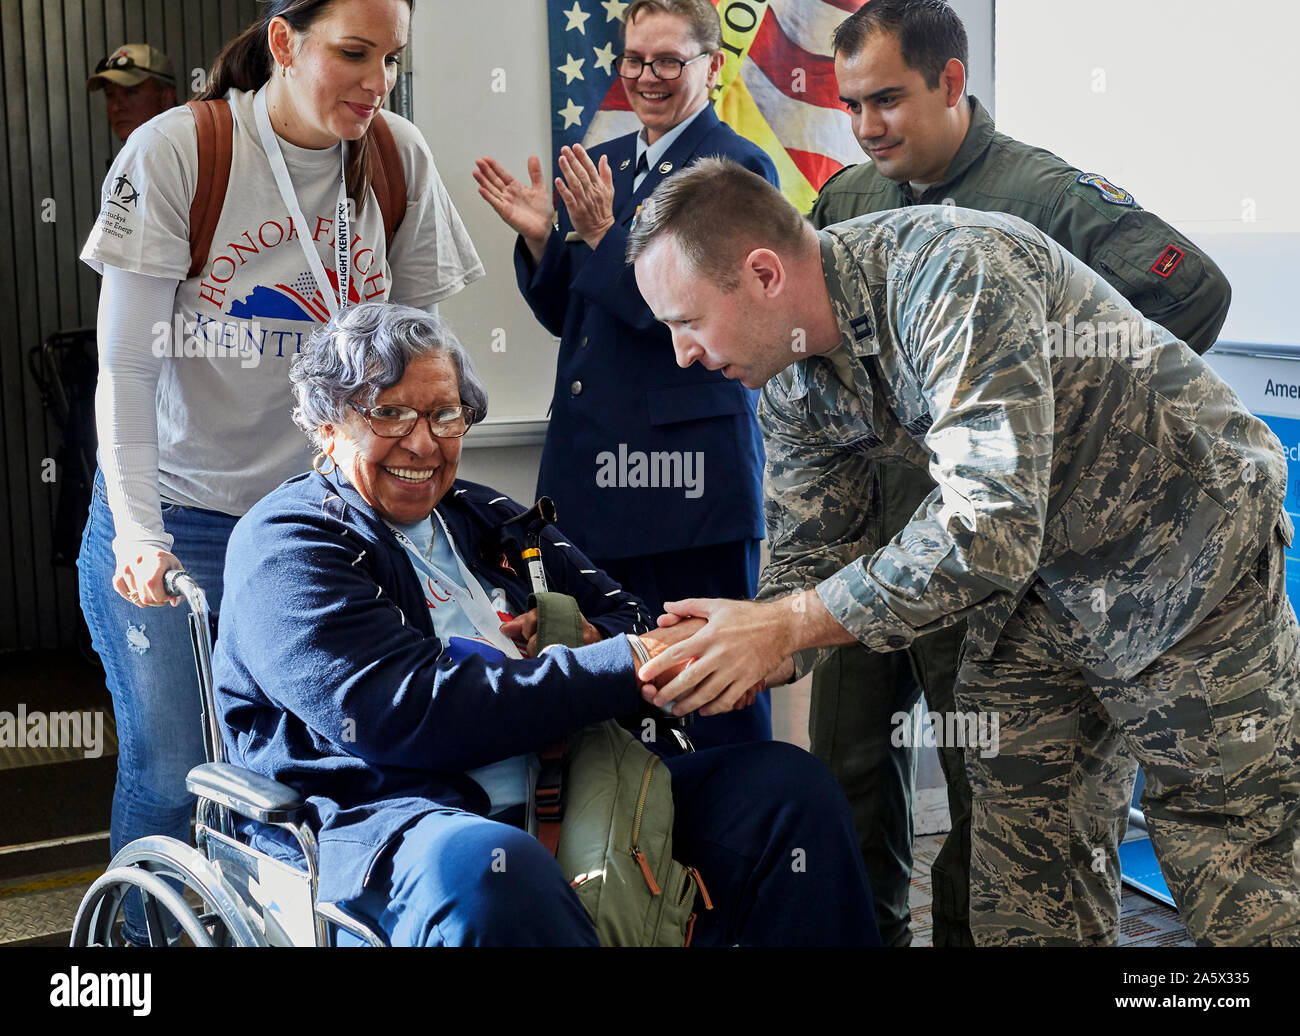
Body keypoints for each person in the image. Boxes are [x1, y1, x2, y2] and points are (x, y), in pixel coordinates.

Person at [627, 158, 1300, 946]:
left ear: (764, 274)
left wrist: (786, 627)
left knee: (1236, 866)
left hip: (1184, 564)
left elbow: (987, 525)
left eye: (686, 322)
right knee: (1026, 866)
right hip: (1037, 598)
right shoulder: (787, 380)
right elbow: (811, 551)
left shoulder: (951, 273)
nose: (680, 354)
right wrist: (737, 645)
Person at [210, 301, 880, 947]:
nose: (422, 441)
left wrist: (597, 639)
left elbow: (625, 615)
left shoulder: (486, 517)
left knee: (789, 793)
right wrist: (622, 661)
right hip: (388, 816)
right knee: (494, 869)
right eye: (389, 413)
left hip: (573, 789)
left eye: (445, 413)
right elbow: (403, 712)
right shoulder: (290, 545)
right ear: (327, 424)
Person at [804, 0, 1235, 947]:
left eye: (887, 99)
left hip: (993, 565)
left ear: (952, 83)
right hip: (877, 547)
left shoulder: (1040, 193)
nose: (868, 126)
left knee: (991, 803)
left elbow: (1191, 286)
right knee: (846, 774)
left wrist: (1042, 399)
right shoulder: (843, 202)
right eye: (851, 105)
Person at [76, 0, 484, 947]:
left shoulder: (395, 158)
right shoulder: (182, 152)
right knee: (178, 763)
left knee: (315, 761)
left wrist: (432, 497)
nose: (377, 84)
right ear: (283, 42)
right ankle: (129, 965)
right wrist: (141, 533)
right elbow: (126, 368)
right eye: (353, 53)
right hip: (187, 514)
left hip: (323, 524)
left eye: (391, 59)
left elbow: (416, 354)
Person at [473, 0, 779, 749]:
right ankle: (634, 857)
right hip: (590, 476)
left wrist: (606, 236)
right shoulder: (602, 162)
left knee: (709, 683)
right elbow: (571, 316)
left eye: (669, 60)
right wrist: (545, 242)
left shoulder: (736, 168)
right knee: (608, 684)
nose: (648, 77)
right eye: (634, 59)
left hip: (684, 484)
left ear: (712, 67)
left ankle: (740, 849)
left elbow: (704, 315)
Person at [87, 43, 178, 142]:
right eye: (110, 95)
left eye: (130, 92)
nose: (116, 108)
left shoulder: (192, 153)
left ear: (166, 99)